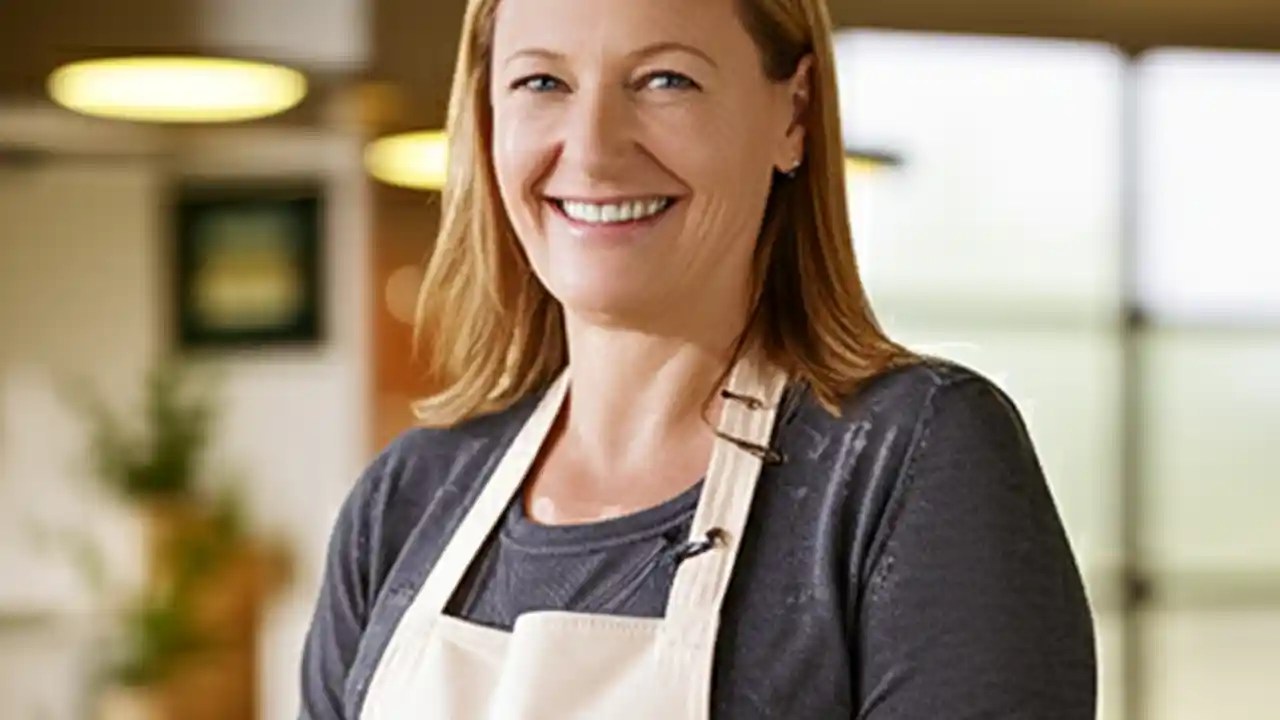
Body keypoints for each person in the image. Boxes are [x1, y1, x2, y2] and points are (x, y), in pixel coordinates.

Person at [300, 0, 1097, 716]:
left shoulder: (910, 460)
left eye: (665, 79)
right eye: (542, 83)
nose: (593, 149)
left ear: (795, 113)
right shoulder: (405, 501)